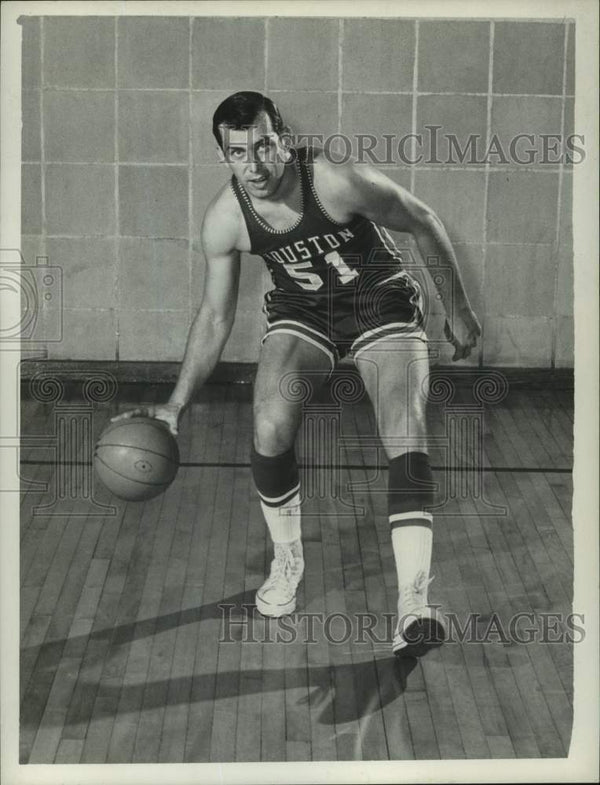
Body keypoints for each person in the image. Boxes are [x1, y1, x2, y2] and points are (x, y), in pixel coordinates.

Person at [114, 91, 481, 658]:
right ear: (224, 156)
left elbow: (422, 220)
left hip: (378, 302)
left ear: (283, 140)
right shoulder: (225, 219)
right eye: (239, 153)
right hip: (303, 313)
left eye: (263, 146)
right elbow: (215, 316)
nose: (255, 165)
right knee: (269, 424)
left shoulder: (336, 181)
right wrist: (175, 404)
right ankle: (287, 560)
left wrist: (456, 308)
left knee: (404, 427)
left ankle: (414, 601)